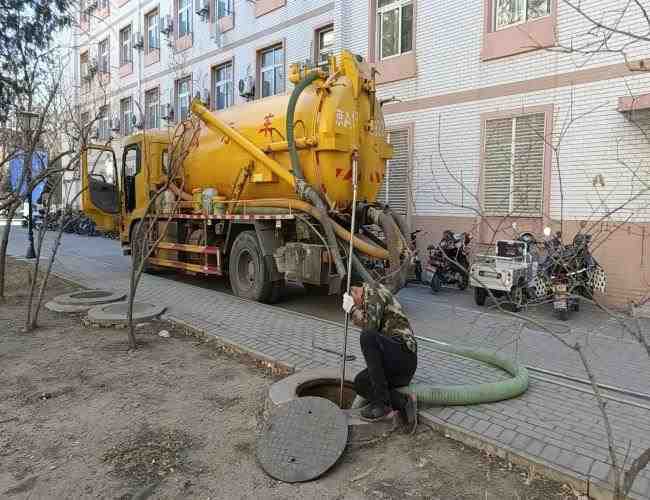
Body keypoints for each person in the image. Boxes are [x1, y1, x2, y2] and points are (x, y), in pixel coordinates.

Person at [342, 282, 418, 429]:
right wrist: (353, 310)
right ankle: (402, 402)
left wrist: (352, 309)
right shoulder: (367, 300)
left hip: (403, 356)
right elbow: (369, 326)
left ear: (356, 292)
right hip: (393, 367)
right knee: (360, 383)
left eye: (355, 302)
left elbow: (370, 329)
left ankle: (382, 404)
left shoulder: (374, 292)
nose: (360, 309)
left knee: (367, 336)